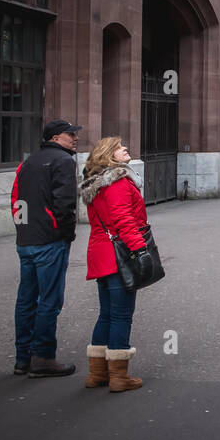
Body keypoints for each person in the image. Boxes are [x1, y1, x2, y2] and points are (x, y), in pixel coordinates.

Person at [11, 119, 81, 378]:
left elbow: (15, 198)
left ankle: (22, 359)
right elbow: (65, 203)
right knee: (49, 300)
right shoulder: (63, 162)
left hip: (27, 240)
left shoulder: (28, 162)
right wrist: (66, 234)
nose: (75, 138)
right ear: (54, 137)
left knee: (26, 300)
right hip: (49, 241)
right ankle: (43, 357)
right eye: (70, 134)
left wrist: (22, 230)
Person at [80, 137, 150, 393]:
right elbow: (123, 220)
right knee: (121, 315)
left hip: (101, 252)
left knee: (107, 314)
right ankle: (119, 377)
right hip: (118, 254)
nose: (126, 149)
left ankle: (97, 374)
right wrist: (140, 250)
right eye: (120, 148)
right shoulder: (117, 182)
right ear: (109, 155)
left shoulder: (97, 183)